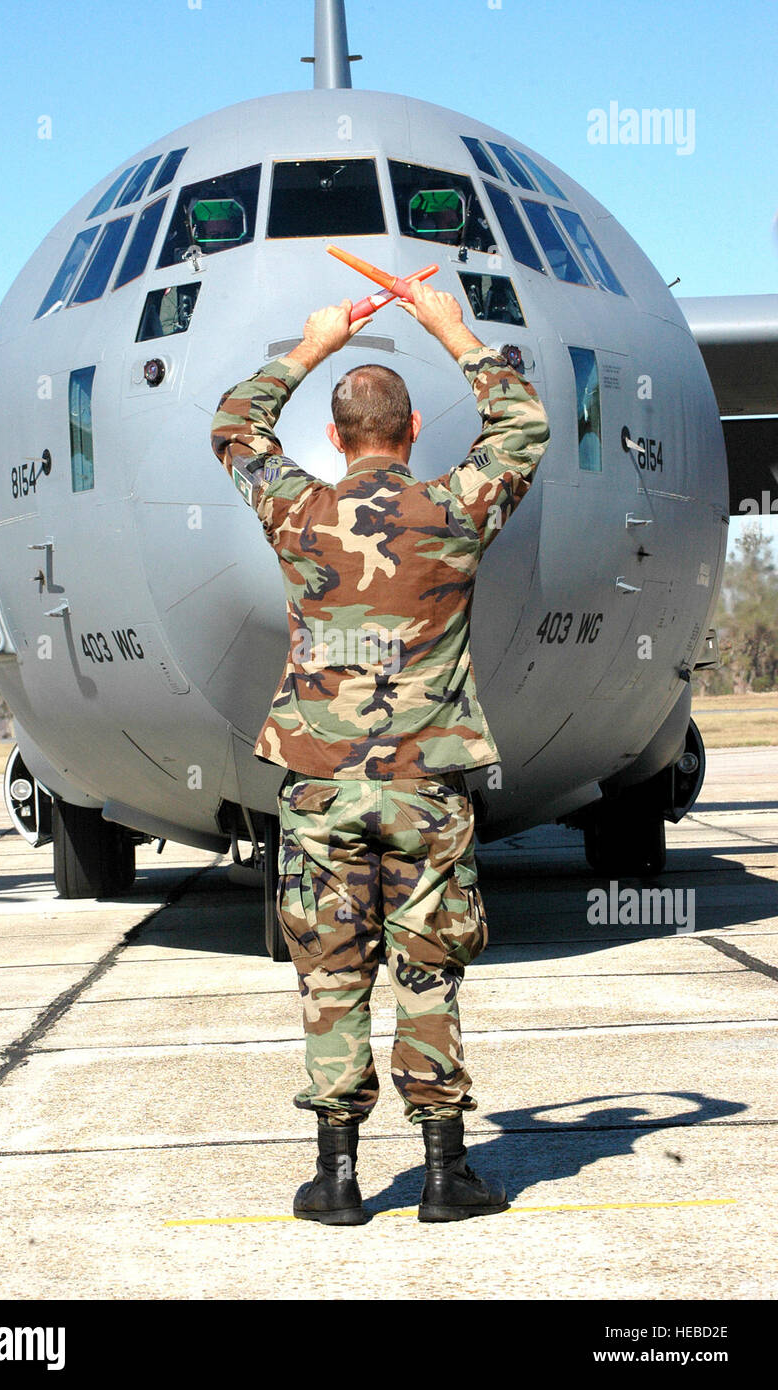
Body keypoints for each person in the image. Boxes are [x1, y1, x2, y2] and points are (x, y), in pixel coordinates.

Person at [211, 281, 549, 1224]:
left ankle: (337, 1177)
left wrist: (310, 345)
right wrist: (453, 330)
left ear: (336, 435)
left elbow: (234, 426)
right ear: (412, 431)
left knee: (331, 972)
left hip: (322, 789)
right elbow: (522, 427)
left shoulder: (300, 512)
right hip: (426, 788)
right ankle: (445, 1176)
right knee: (429, 969)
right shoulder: (454, 510)